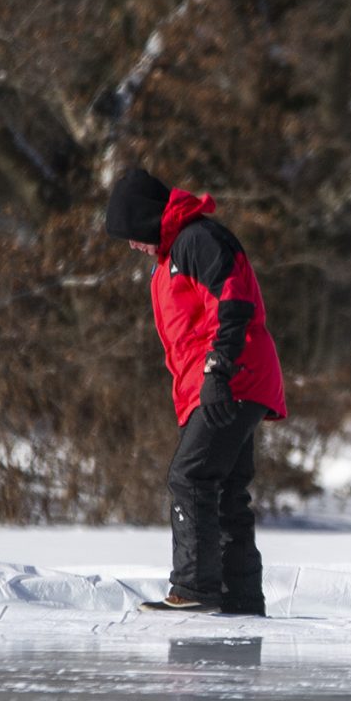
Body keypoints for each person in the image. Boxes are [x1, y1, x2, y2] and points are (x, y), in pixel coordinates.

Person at [105, 166, 286, 615]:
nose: (132, 244)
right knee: (225, 489)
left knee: (190, 477)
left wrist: (218, 369)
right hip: (228, 380)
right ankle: (240, 597)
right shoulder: (174, 255)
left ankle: (195, 588)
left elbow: (235, 298)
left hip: (233, 377)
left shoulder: (195, 240)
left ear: (148, 217)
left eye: (132, 232)